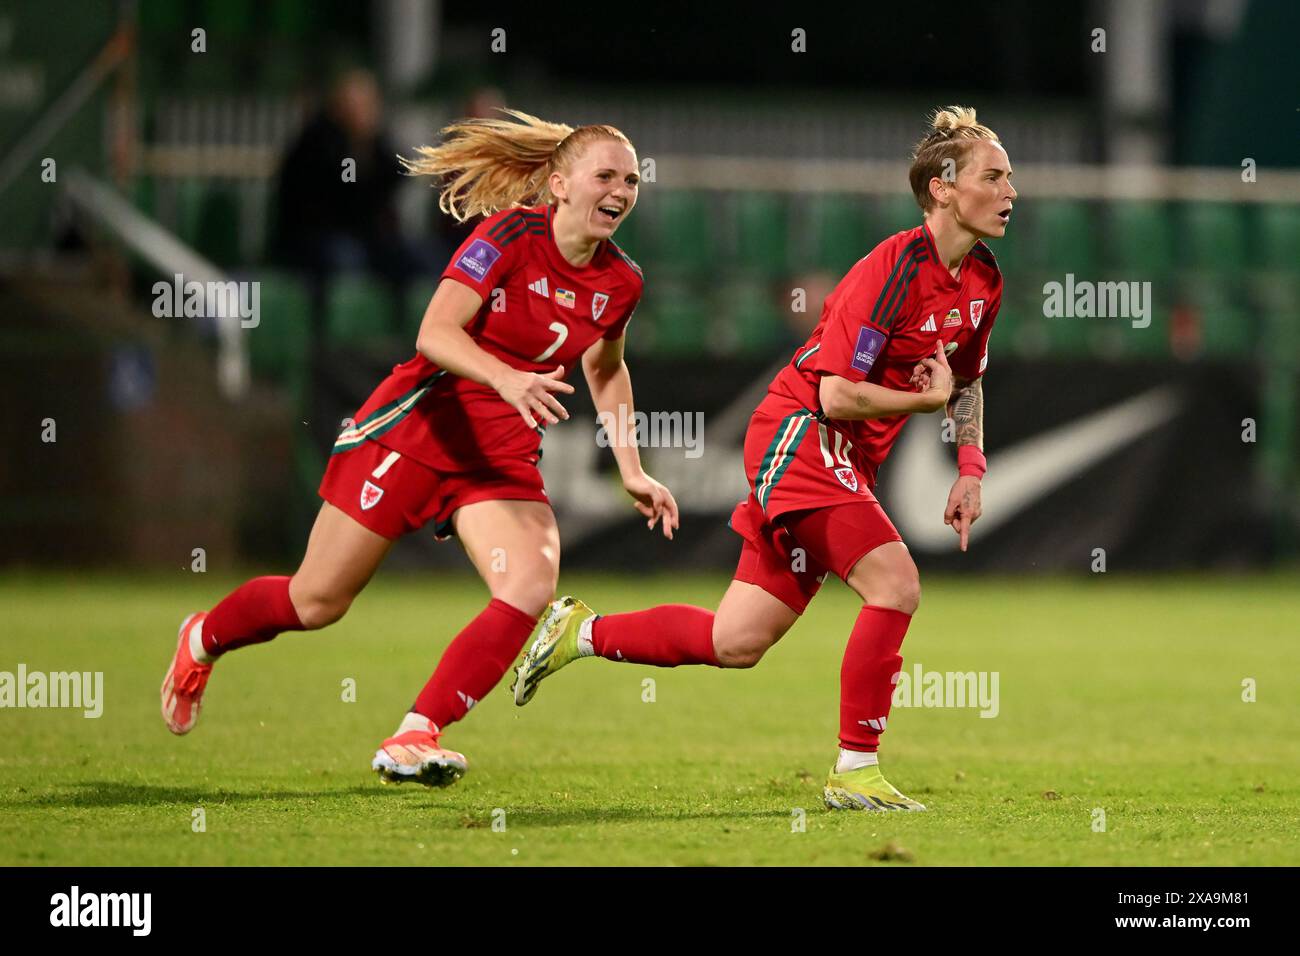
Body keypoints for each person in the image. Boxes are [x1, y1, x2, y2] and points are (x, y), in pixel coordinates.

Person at [513, 106, 1014, 812]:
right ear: (943, 187)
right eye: (995, 176)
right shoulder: (894, 269)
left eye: (1009, 177)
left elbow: (966, 381)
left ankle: (579, 633)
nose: (1011, 191)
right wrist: (917, 407)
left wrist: (969, 468)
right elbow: (838, 395)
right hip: (799, 430)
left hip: (843, 455)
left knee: (737, 640)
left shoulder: (984, 279)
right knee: (896, 584)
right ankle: (855, 769)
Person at [161, 109, 680, 789]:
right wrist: (506, 377)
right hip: (418, 430)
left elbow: (607, 370)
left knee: (530, 584)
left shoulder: (622, 281)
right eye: (605, 174)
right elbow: (434, 332)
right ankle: (203, 638)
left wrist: (633, 469)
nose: (620, 190)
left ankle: (417, 731)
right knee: (316, 601)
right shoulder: (508, 237)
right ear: (559, 184)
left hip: (496, 455)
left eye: (632, 180)